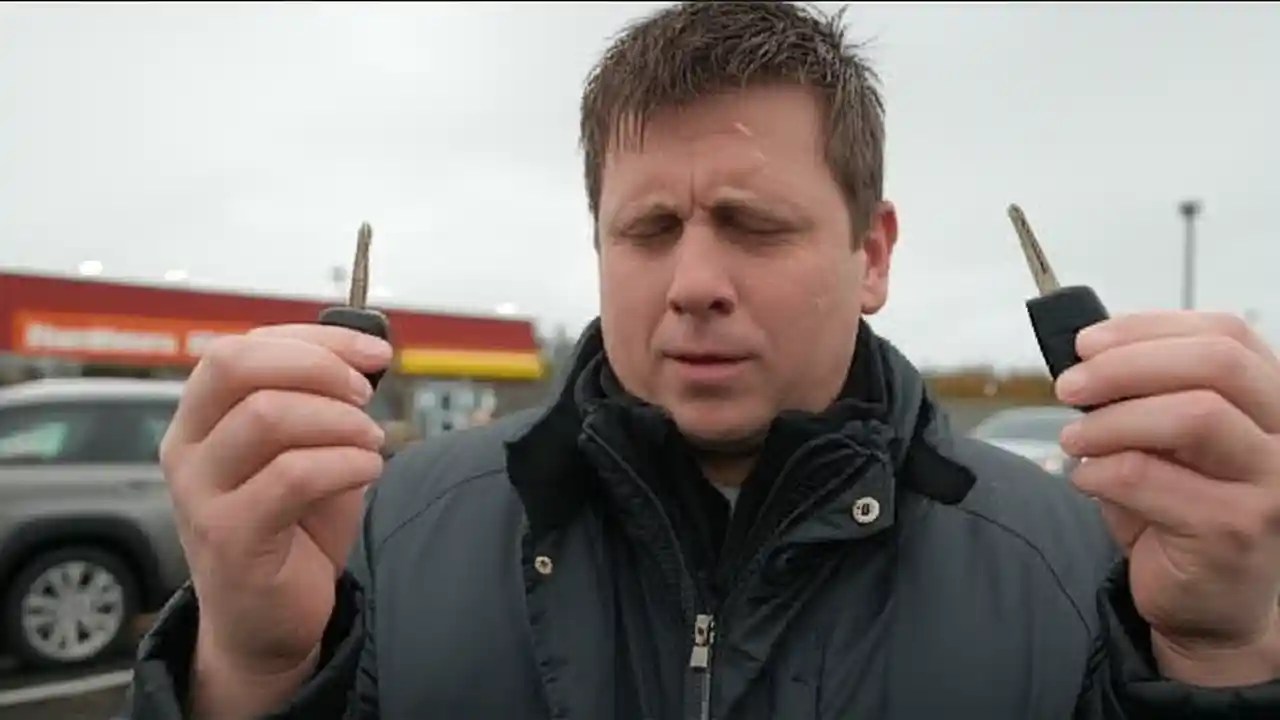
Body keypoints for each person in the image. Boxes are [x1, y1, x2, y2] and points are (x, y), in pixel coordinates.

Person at [130, 2, 1280, 718]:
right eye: (646, 231)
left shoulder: (1071, 563)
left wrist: (1215, 656)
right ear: (597, 249)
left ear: (870, 253)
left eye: (754, 224)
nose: (691, 282)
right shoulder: (386, 531)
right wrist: (249, 665)